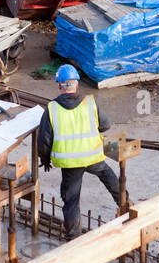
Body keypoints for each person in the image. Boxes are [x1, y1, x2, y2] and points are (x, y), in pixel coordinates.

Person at [38, 64, 121, 240]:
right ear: (77, 84)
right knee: (109, 177)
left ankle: (73, 236)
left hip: (70, 164)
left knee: (71, 200)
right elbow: (106, 125)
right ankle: (126, 204)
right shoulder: (90, 103)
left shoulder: (51, 109)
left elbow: (44, 141)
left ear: (59, 86)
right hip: (92, 157)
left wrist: (44, 160)